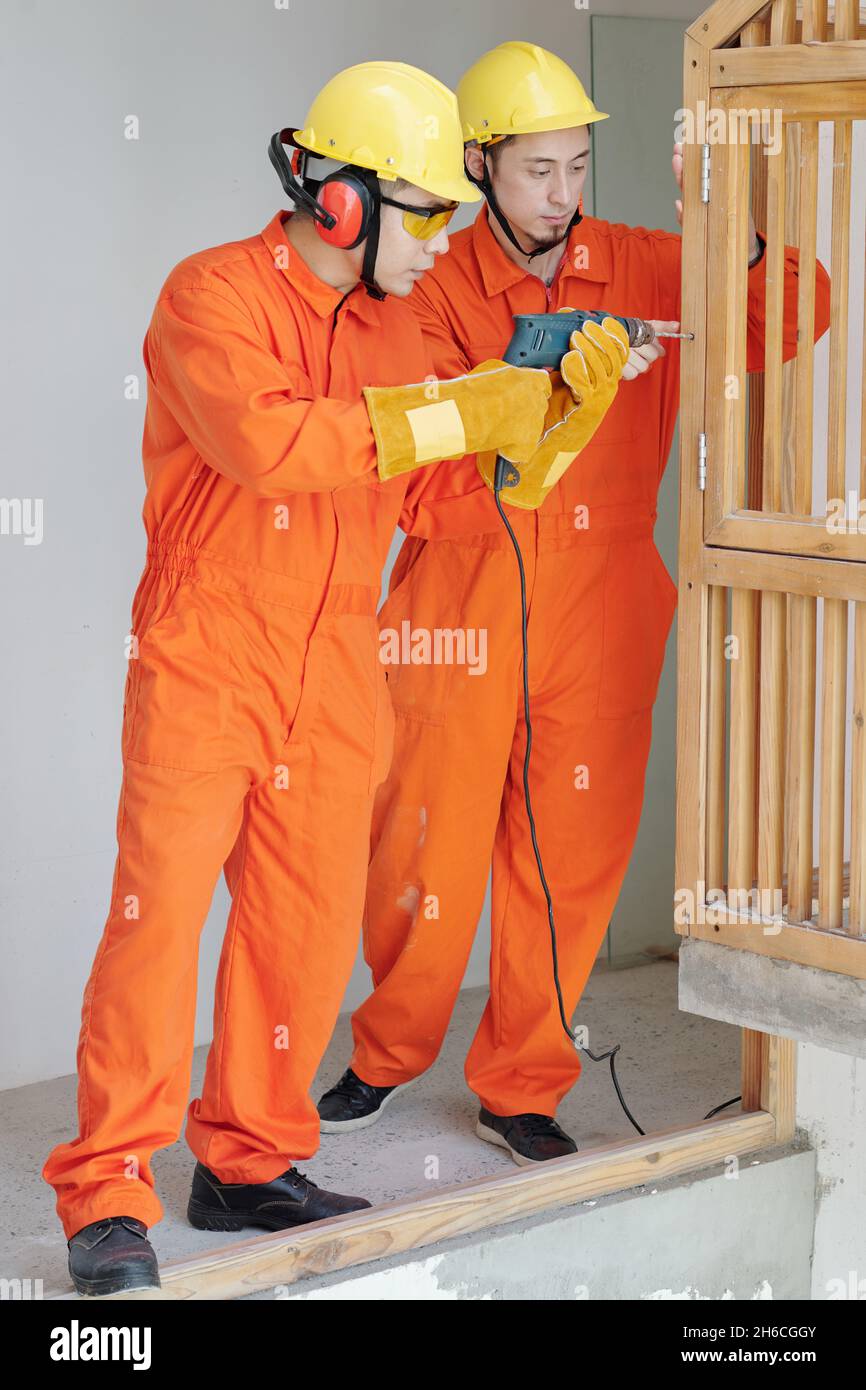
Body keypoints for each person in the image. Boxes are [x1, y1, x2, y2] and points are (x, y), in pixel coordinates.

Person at [41, 58, 596, 1298]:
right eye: (429, 210)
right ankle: (107, 1190)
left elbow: (432, 498)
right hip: (209, 647)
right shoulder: (212, 296)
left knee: (298, 936)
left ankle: (243, 1158)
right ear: (339, 200)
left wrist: (544, 433)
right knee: (157, 928)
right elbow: (273, 445)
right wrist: (458, 410)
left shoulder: (400, 326)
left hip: (338, 656)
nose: (445, 238)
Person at [318, 40, 832, 1165]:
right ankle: (387, 1048)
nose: (560, 196)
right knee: (420, 842)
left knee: (571, 852)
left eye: (576, 168)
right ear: (477, 165)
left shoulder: (646, 262)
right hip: (459, 588)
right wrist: (541, 390)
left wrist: (732, 231)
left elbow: (792, 314)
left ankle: (521, 1081)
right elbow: (404, 469)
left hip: (601, 599)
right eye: (537, 171)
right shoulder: (431, 278)